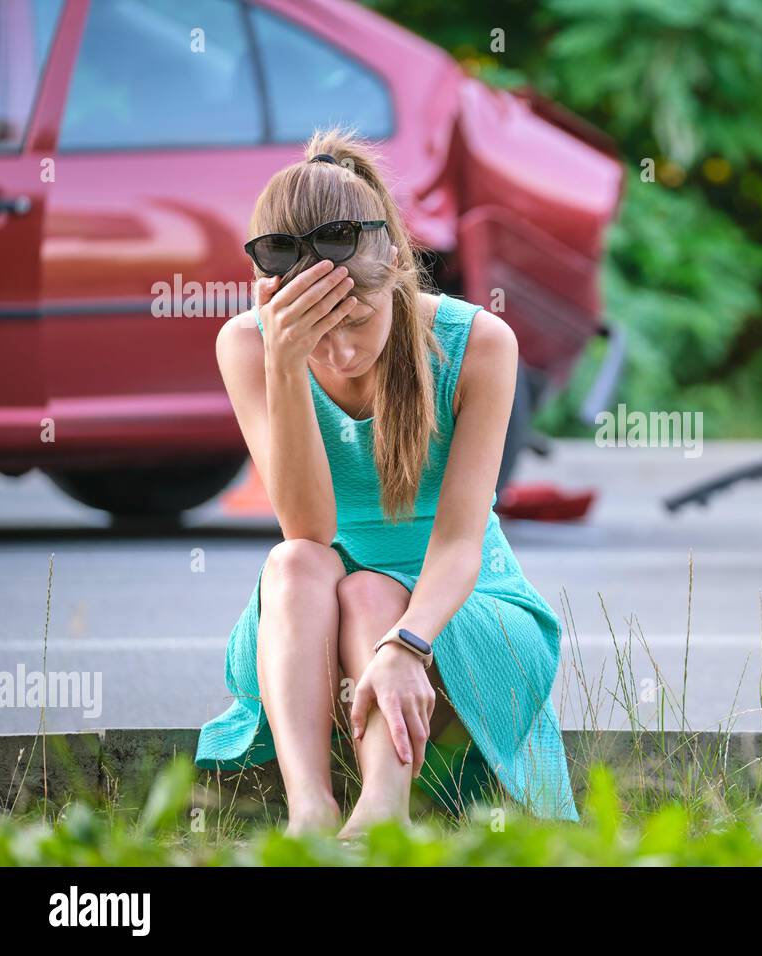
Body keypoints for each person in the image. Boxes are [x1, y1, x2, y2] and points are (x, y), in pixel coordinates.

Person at [195, 127, 578, 834]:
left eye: (356, 320)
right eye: (317, 330)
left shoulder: (480, 344)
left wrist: (408, 642)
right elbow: (307, 529)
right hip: (314, 617)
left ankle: (381, 816)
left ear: (397, 265)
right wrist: (285, 363)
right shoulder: (250, 345)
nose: (338, 352)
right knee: (292, 564)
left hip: (461, 613)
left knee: (372, 588)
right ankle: (311, 813)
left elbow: (463, 542)